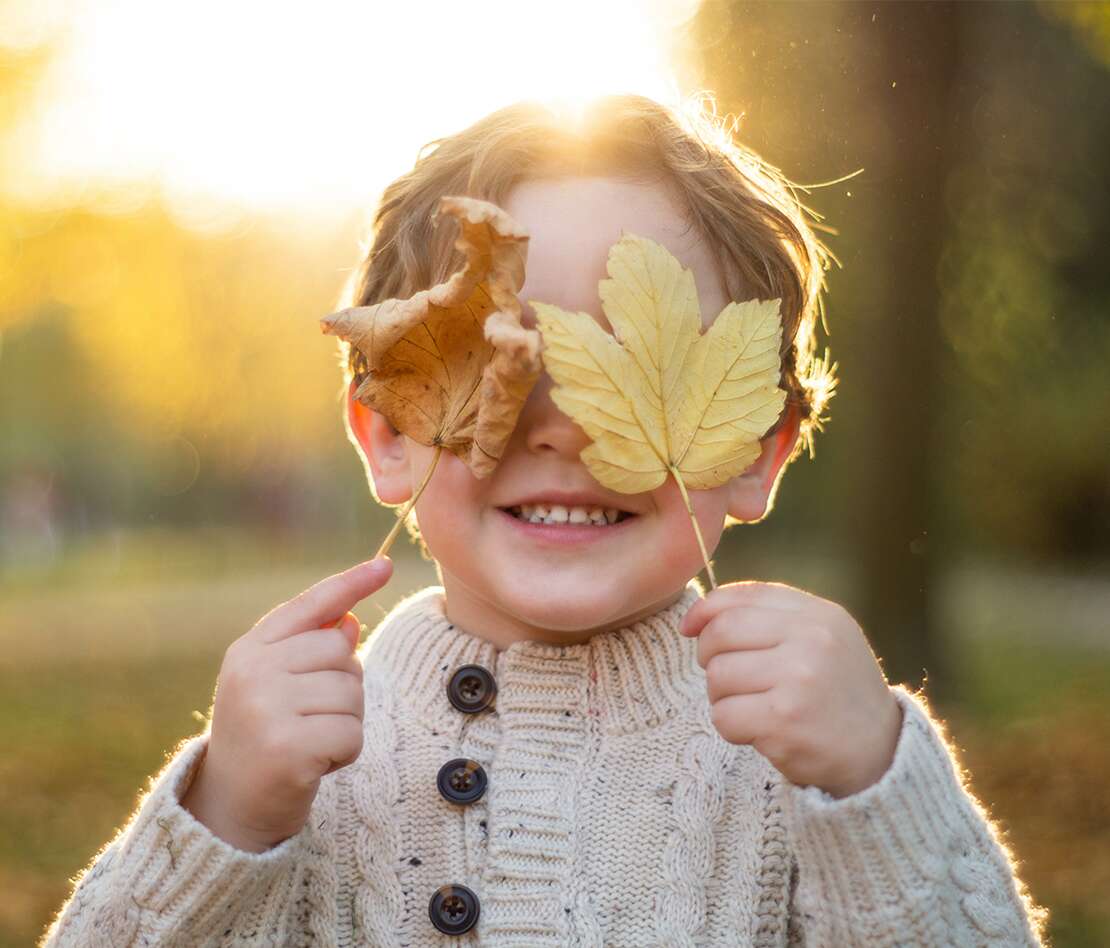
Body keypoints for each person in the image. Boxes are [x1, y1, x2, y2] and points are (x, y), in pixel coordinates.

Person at [40, 93, 1048, 946]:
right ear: (388, 428)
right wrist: (227, 819)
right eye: (500, 367)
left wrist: (877, 789)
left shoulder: (802, 758)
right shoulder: (300, 758)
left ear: (758, 448)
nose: (565, 429)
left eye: (640, 374)